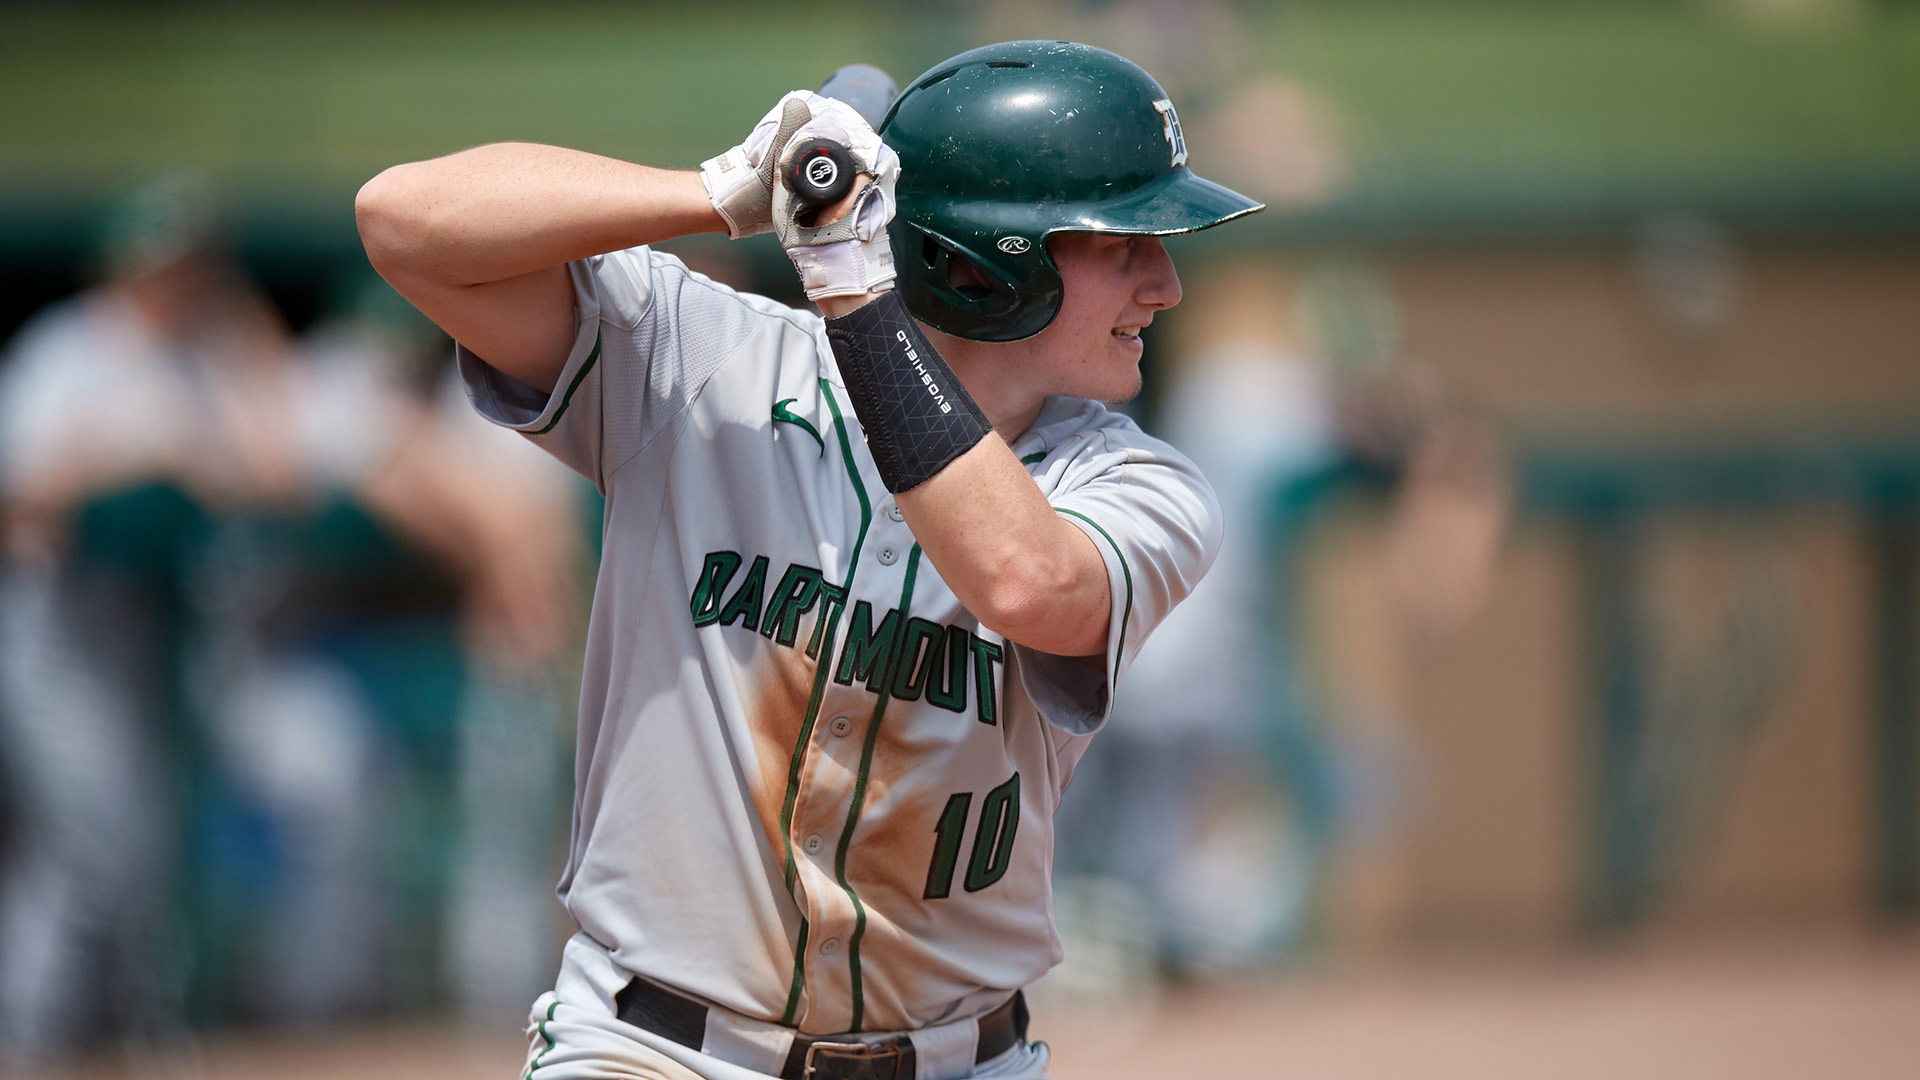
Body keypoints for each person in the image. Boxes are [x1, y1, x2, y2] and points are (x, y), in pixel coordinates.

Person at [356, 41, 1261, 1080]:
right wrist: (721, 192)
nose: (1166, 284)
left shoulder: (1138, 485)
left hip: (959, 1059)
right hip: (653, 1050)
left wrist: (857, 293)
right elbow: (401, 223)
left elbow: (1027, 583)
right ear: (991, 256)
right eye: (1123, 242)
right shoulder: (704, 362)